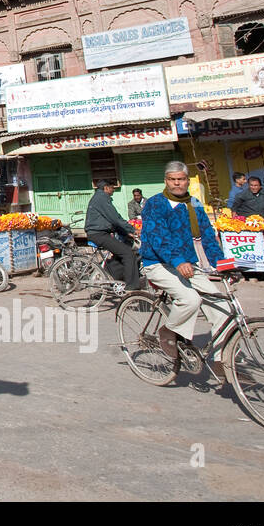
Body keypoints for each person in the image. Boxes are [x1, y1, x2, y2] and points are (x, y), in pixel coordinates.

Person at [137, 161, 230, 379]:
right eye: (172, 179)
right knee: (190, 299)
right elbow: (158, 237)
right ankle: (169, 331)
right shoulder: (155, 204)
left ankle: (221, 360)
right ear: (166, 181)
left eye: (181, 179)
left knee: (223, 307)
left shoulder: (194, 204)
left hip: (187, 264)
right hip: (158, 263)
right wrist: (177, 260)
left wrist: (224, 265)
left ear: (187, 181)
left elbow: (207, 236)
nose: (177, 183)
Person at [84, 179, 140, 289]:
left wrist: (126, 232)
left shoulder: (100, 198)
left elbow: (111, 221)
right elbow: (115, 218)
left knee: (122, 253)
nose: (113, 190)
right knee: (128, 254)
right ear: (106, 188)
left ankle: (117, 278)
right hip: (98, 234)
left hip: (100, 233)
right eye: (112, 187)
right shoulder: (102, 198)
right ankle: (131, 288)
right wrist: (133, 230)